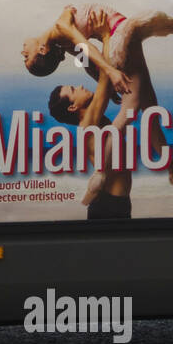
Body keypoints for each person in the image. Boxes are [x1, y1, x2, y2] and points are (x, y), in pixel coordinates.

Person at [34, 3, 173, 204]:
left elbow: (87, 62)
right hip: (118, 40)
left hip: (121, 43)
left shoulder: (65, 35)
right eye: (74, 90)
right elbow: (90, 58)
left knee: (150, 114)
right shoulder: (65, 33)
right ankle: (101, 173)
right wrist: (109, 61)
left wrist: (107, 75)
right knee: (131, 110)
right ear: (43, 50)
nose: (23, 51)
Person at [47, 28, 133, 218]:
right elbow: (105, 76)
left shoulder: (91, 120)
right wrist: (105, 36)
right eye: (73, 89)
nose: (80, 86)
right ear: (72, 107)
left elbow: (92, 69)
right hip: (108, 206)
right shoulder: (88, 124)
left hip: (116, 203)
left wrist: (74, 46)